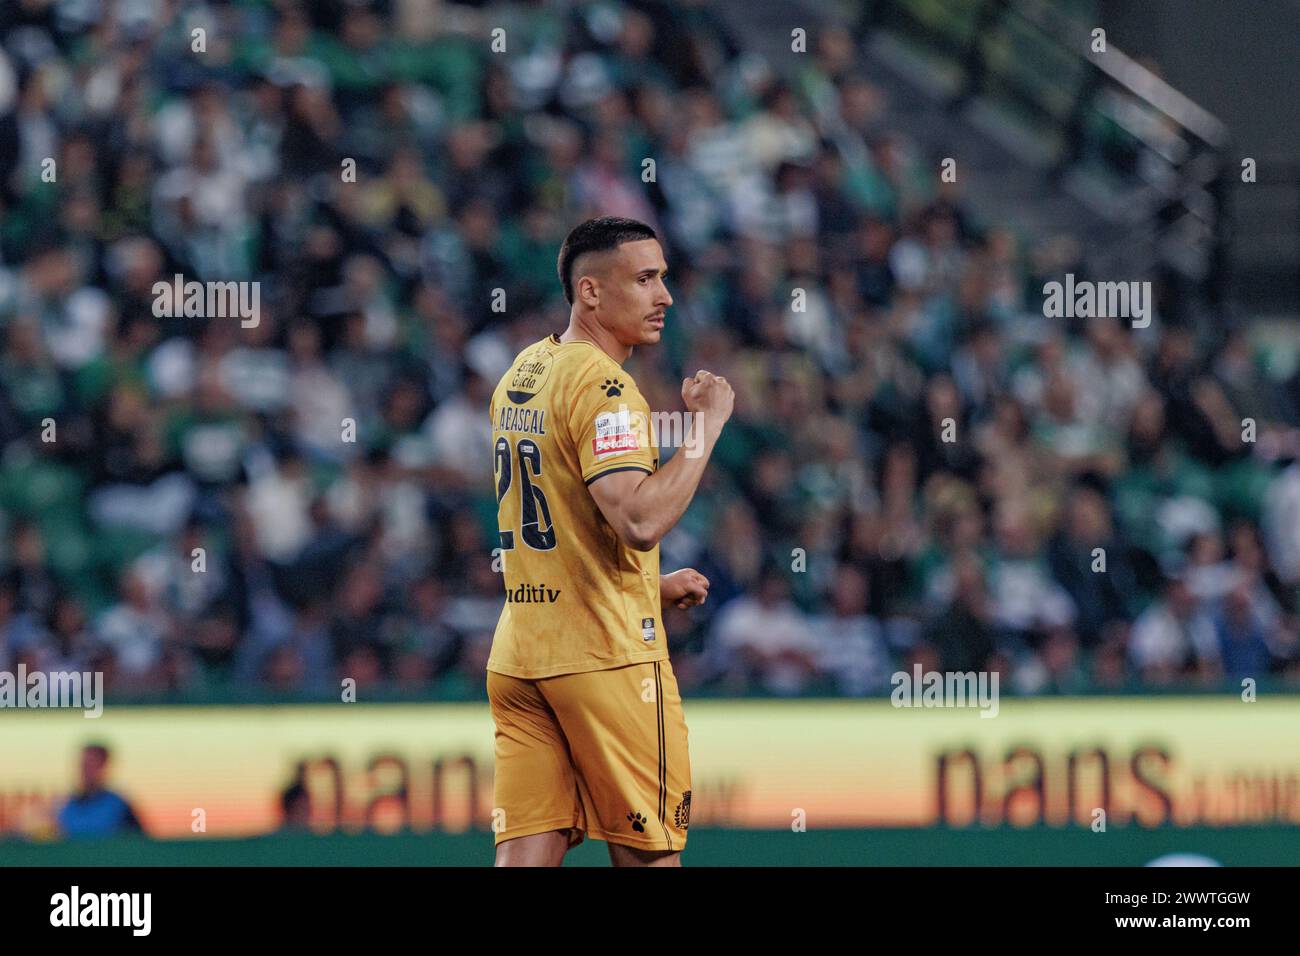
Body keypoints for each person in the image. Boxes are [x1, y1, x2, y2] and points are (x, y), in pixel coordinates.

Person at [486, 217, 733, 867]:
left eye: (665, 279)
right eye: (646, 279)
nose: (665, 298)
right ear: (590, 292)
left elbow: (561, 530)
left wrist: (650, 581)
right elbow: (639, 520)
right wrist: (705, 428)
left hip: (523, 659)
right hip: (607, 660)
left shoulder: (524, 371)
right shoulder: (605, 387)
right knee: (651, 859)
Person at [55, 743, 145, 839]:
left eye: (91, 765)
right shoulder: (65, 805)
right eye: (83, 764)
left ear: (104, 766)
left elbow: (138, 841)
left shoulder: (119, 806)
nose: (85, 770)